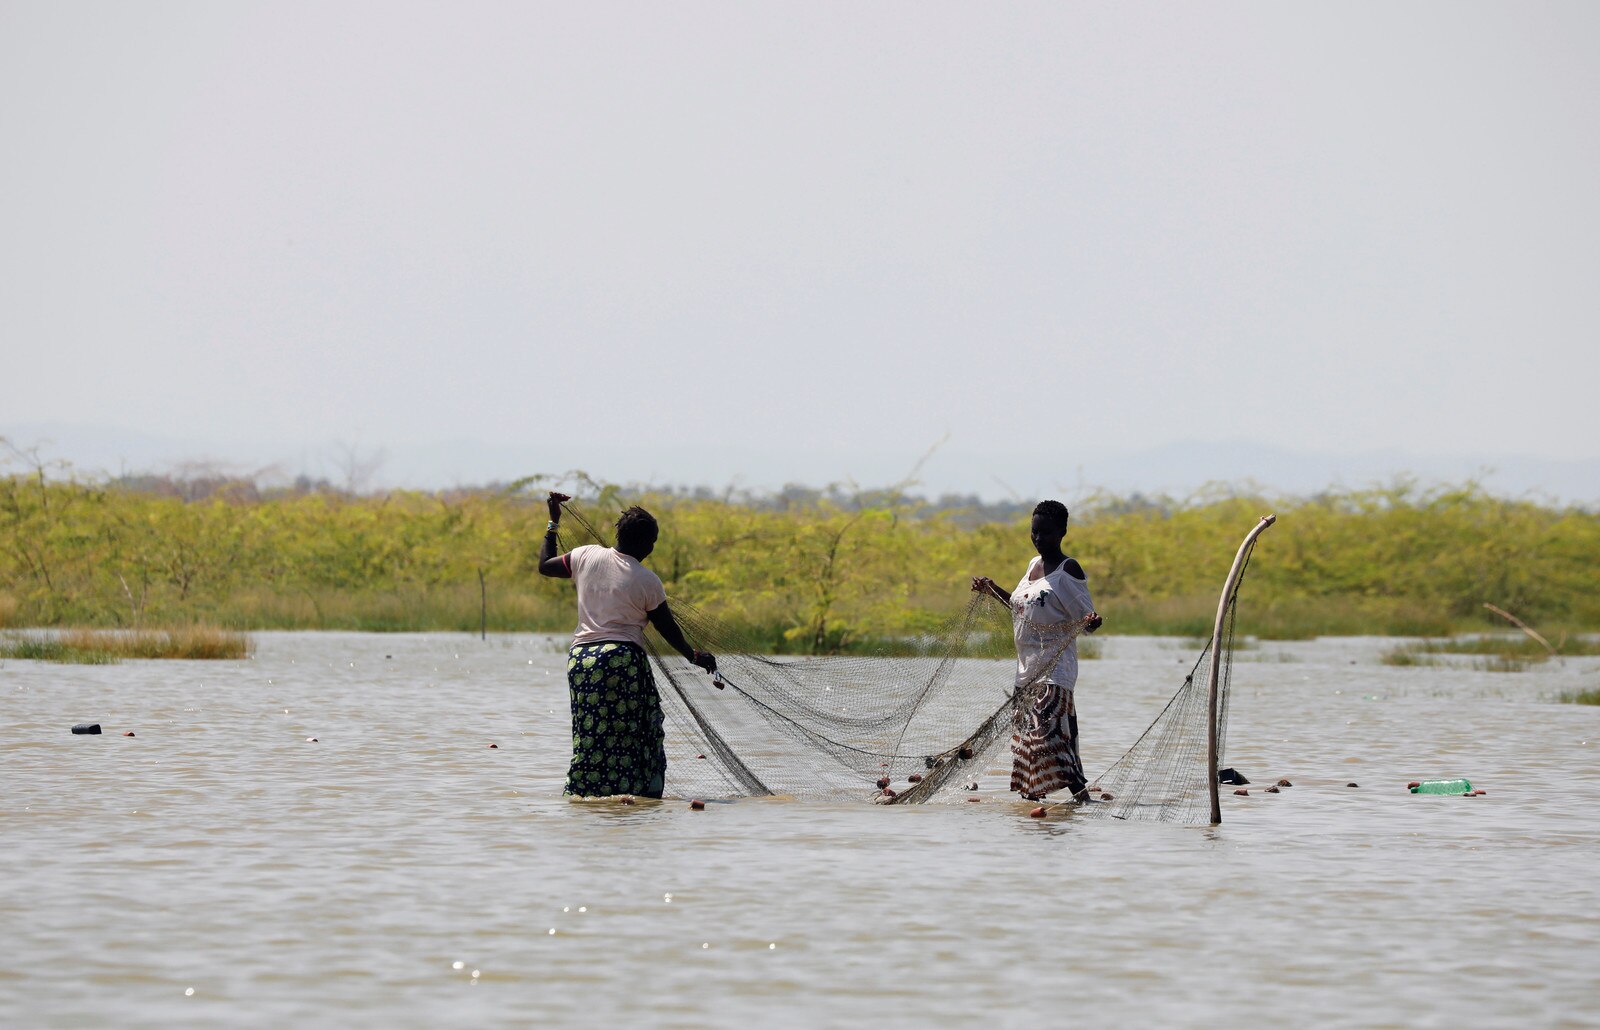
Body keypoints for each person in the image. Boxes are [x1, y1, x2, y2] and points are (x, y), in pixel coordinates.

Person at [538, 491, 716, 799]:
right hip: (622, 659)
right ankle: (639, 796)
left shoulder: (585, 555)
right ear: (648, 544)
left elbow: (545, 565)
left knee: (591, 731)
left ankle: (586, 791)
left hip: (581, 660)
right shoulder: (647, 581)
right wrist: (693, 655)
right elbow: (667, 628)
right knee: (640, 730)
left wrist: (553, 523)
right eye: (653, 542)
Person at [971, 500, 1102, 803]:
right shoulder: (1033, 565)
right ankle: (1034, 805)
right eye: (1034, 532)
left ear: (1062, 532)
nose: (1038, 539)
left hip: (1055, 671)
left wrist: (1093, 622)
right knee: (1027, 741)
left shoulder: (1068, 570)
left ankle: (1081, 798)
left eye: (1046, 533)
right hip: (1026, 671)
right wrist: (993, 590)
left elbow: (1088, 620)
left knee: (1049, 737)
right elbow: (1022, 609)